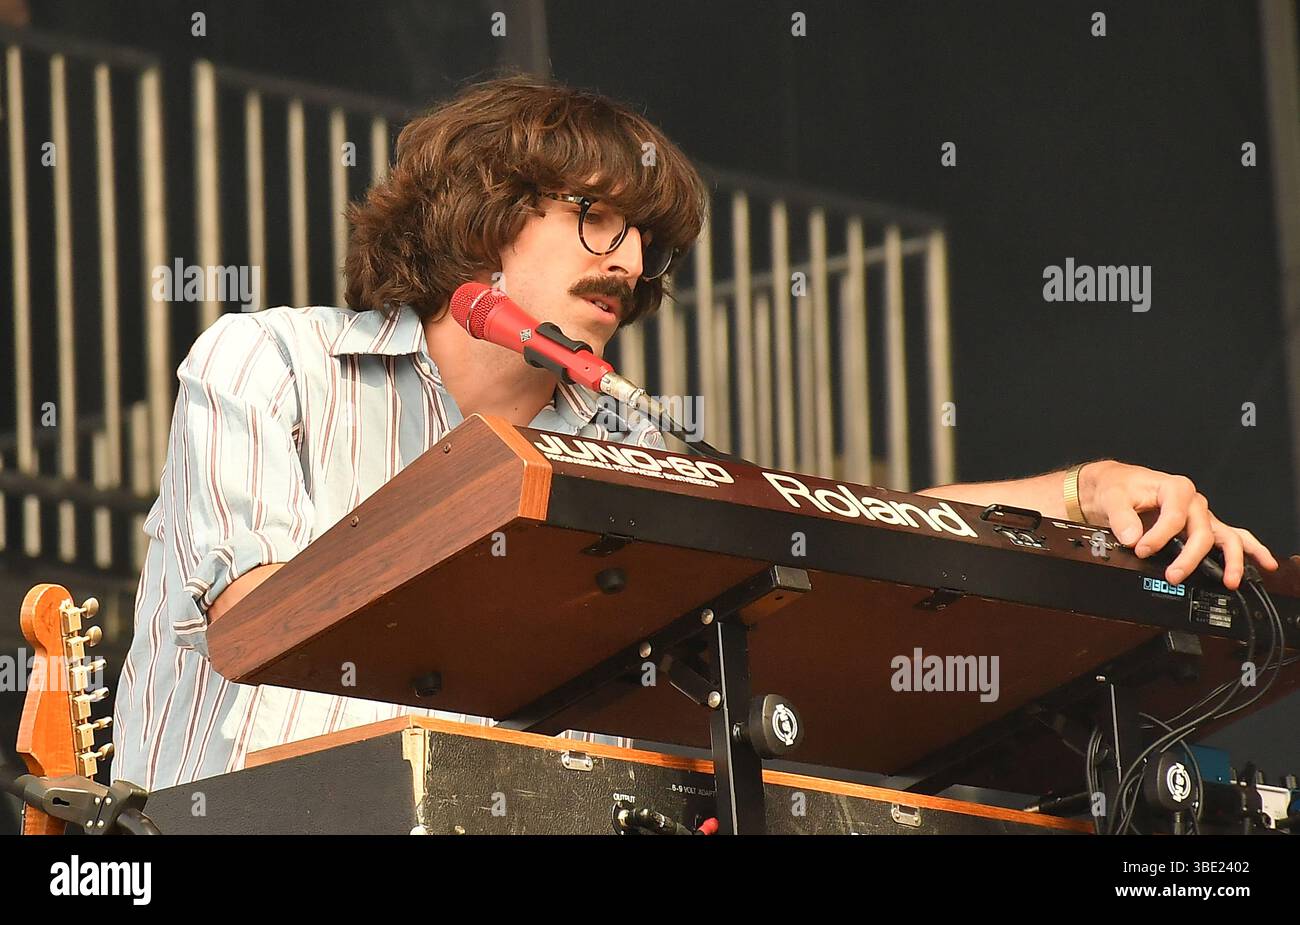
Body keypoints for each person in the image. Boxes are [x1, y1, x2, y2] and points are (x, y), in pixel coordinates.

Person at [111, 74, 1277, 791]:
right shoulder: (270, 361)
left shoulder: (611, 433)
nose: (626, 259)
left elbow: (824, 523)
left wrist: (1079, 489)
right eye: (592, 216)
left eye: (645, 242)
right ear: (478, 212)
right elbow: (259, 632)